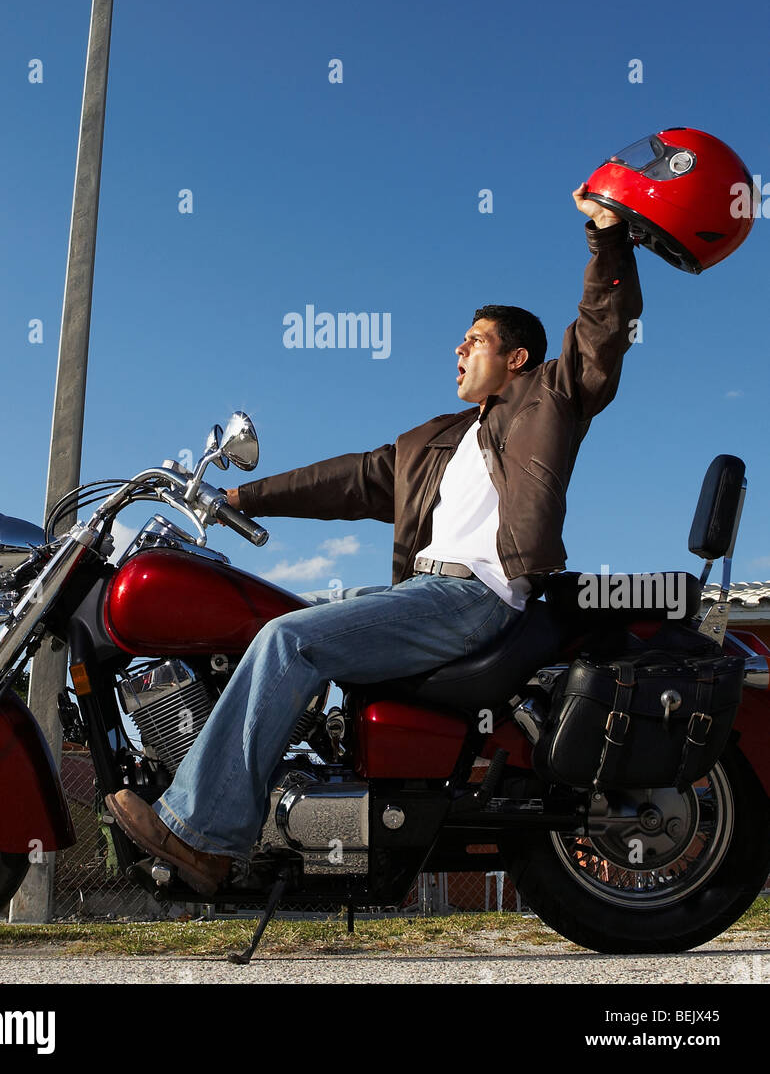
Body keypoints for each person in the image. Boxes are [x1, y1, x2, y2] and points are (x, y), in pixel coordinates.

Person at [106, 184, 641, 894]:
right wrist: (235, 495)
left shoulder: (548, 398)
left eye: (474, 339)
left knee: (288, 641)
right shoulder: (440, 442)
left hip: (474, 594)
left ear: (516, 359)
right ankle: (285, 814)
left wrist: (608, 237)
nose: (457, 347)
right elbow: (349, 479)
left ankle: (202, 834)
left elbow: (601, 333)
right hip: (427, 590)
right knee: (269, 626)